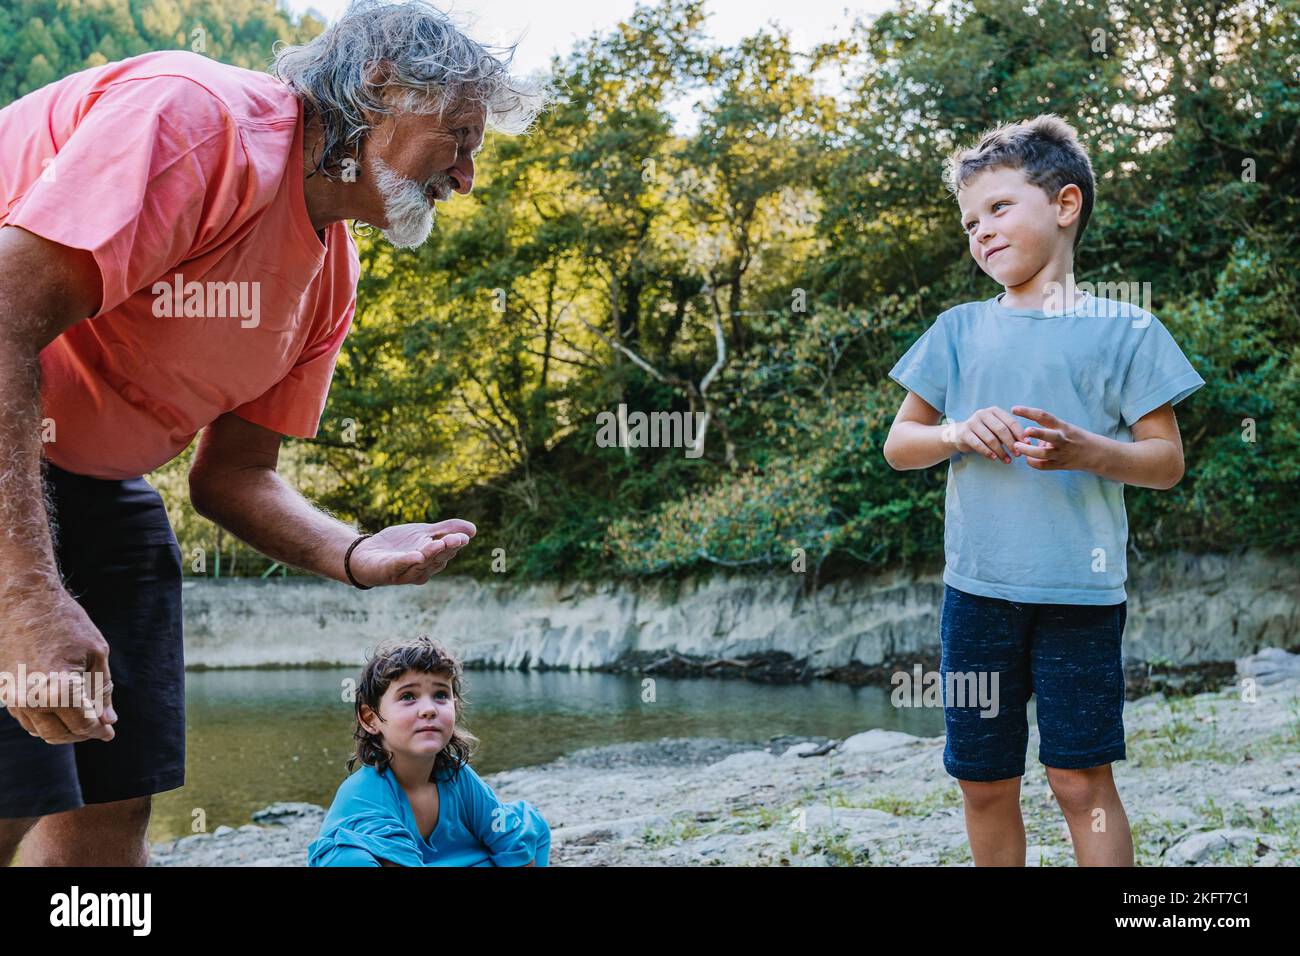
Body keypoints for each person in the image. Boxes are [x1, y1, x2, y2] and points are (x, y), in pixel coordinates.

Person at [0, 0, 549, 866]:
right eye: (459, 135)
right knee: (10, 793)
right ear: (382, 87)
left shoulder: (330, 271)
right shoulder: (196, 120)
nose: (468, 175)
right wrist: (24, 599)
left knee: (109, 811)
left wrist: (356, 552)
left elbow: (234, 475)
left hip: (95, 478)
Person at [881, 114, 1205, 866]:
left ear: (1065, 206)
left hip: (1082, 599)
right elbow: (901, 446)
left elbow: (1165, 462)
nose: (981, 232)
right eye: (969, 222)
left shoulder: (1127, 330)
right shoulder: (956, 330)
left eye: (998, 208)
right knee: (984, 781)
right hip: (978, 595)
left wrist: (1089, 449)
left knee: (1079, 779)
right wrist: (957, 433)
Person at [308, 636, 550, 867]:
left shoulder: (457, 775)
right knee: (348, 858)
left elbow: (508, 838)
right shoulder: (363, 793)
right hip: (384, 860)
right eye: (408, 696)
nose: (428, 709)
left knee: (528, 825)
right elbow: (393, 862)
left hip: (450, 860)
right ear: (370, 718)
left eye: (441, 695)